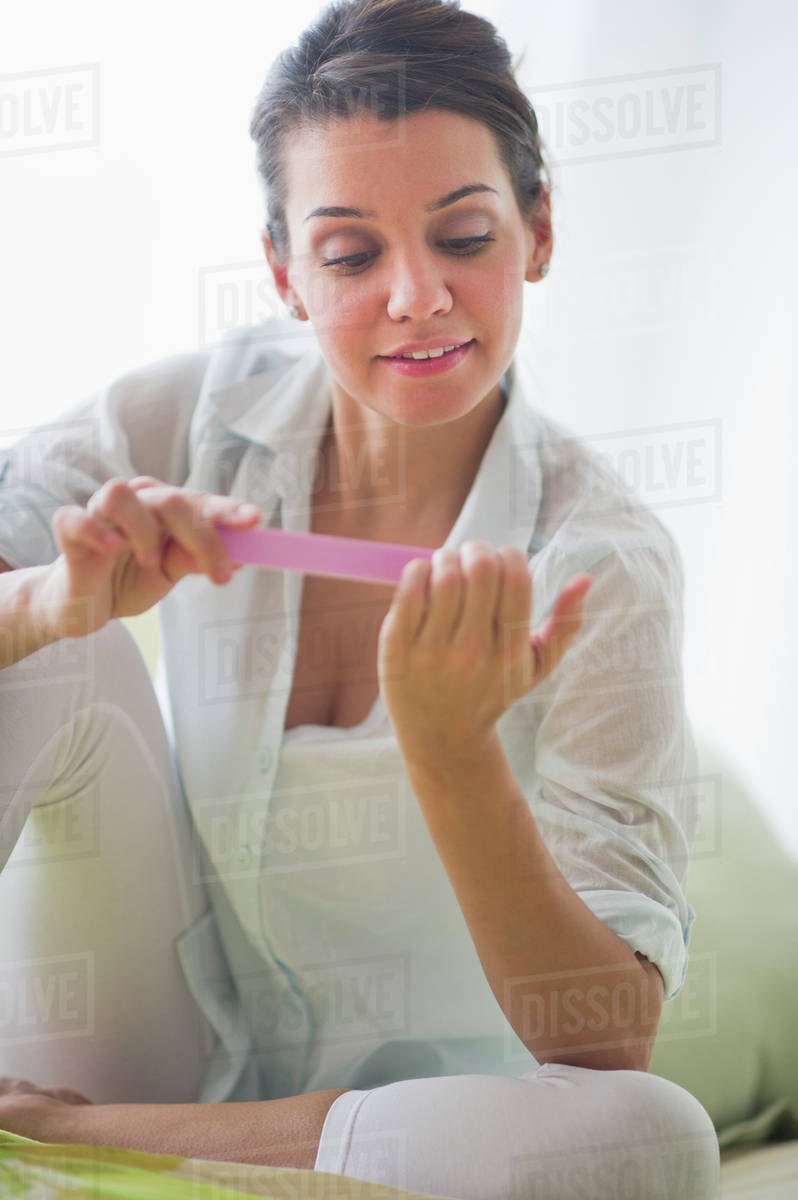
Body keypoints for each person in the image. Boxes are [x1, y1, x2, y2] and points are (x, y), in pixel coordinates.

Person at [0, 0, 720, 1196]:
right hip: (146, 1038)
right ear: (285, 272)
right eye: (350, 255)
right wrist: (45, 604)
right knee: (48, 645)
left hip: (408, 1136)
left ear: (538, 232)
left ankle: (57, 1137)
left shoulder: (604, 566)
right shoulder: (191, 415)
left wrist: (454, 755)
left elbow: (605, 1043)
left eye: (465, 236)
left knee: (654, 1134)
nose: (417, 295)